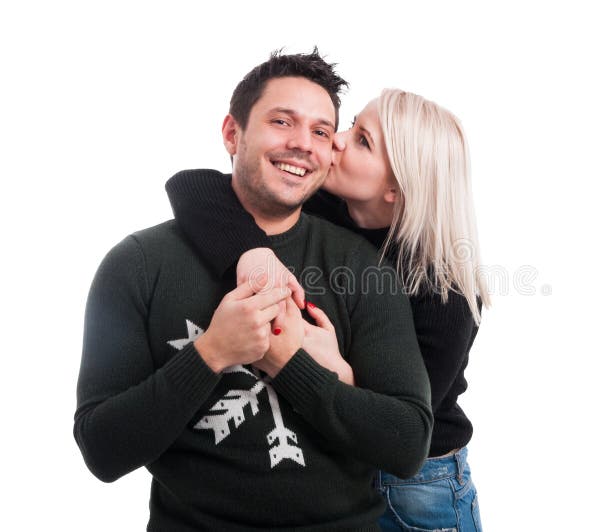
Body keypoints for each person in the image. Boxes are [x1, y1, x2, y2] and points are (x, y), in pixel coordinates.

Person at [74, 49, 433, 531]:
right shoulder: (137, 265)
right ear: (231, 133)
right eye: (282, 121)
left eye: (321, 132)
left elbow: (408, 445)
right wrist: (211, 353)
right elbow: (102, 450)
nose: (303, 144)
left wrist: (290, 364)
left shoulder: (361, 266)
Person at [167, 88, 490, 531]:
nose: (335, 139)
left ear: (396, 187)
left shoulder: (445, 293)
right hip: (329, 459)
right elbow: (193, 186)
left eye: (362, 141)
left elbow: (405, 430)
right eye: (353, 124)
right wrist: (251, 253)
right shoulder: (324, 208)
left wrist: (338, 369)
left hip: (415, 489)